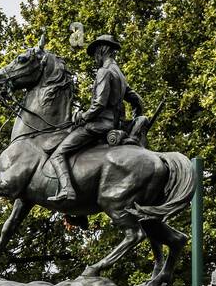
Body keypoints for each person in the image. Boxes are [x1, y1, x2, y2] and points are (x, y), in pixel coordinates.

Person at [47, 34, 146, 202]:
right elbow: (137, 100)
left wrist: (82, 116)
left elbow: (99, 104)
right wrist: (135, 119)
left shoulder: (104, 71)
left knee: (57, 154)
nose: (94, 58)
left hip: (98, 125)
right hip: (116, 125)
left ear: (102, 50)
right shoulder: (118, 73)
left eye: (95, 54)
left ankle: (66, 190)